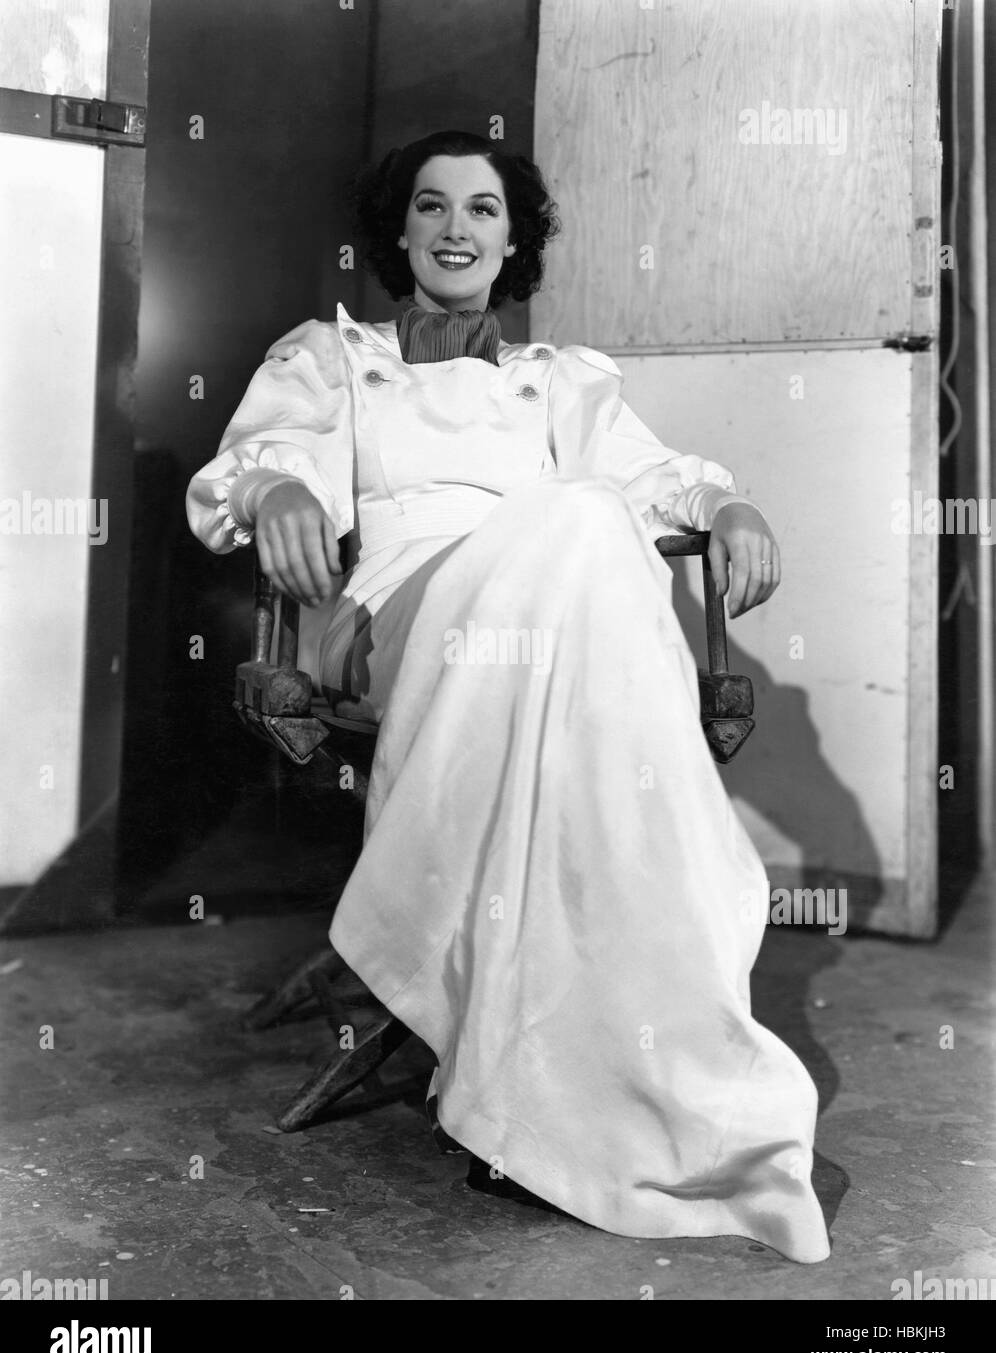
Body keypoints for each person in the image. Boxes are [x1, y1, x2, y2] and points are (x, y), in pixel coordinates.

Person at [186, 130, 831, 1263]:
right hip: (401, 609)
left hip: (557, 624)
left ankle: (576, 1077)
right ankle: (533, 1080)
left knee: (589, 545)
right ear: (399, 230)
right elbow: (243, 464)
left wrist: (726, 506)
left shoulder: (560, 379)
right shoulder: (331, 357)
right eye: (431, 208)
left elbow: (658, 476)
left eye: (482, 211)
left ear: (513, 237)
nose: (454, 229)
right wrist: (282, 481)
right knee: (586, 522)